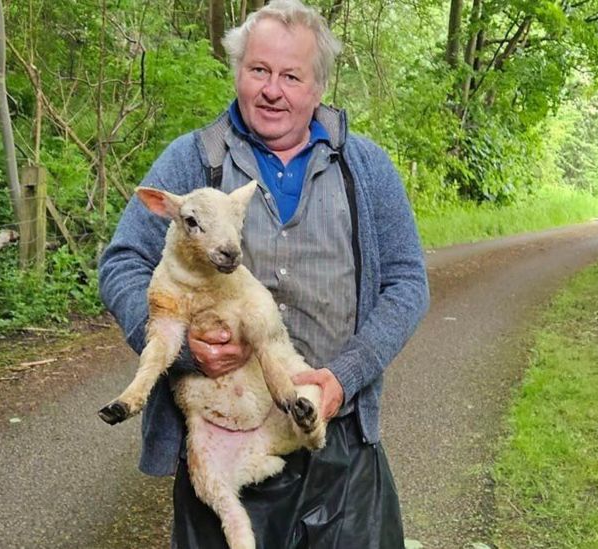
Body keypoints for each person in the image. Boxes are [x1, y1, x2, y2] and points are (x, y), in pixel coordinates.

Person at [98, 1, 429, 546]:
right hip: (218, 434)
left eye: (291, 75)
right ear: (238, 73)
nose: (272, 90)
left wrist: (344, 377)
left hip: (338, 441)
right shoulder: (192, 161)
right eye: (259, 71)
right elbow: (122, 262)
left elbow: (408, 282)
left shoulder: (366, 169)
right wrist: (183, 351)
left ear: (318, 87)